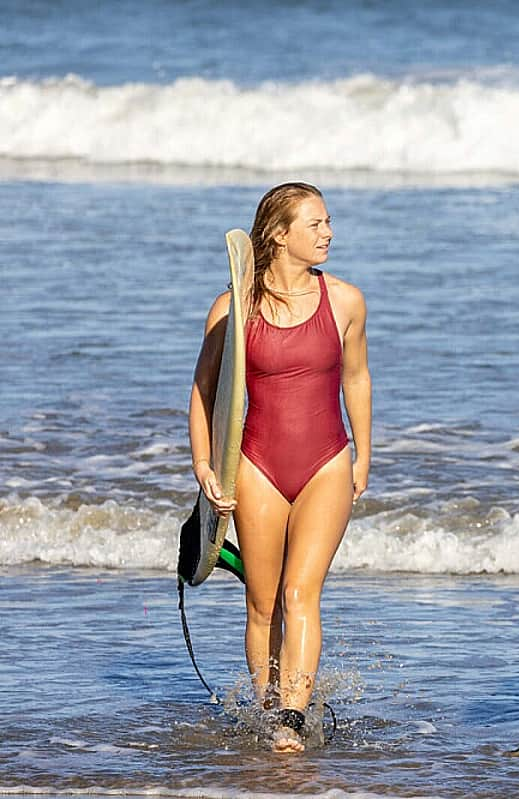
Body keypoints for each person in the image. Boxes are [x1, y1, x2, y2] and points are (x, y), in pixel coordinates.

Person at [189, 182, 372, 753]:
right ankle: (270, 709)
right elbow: (204, 391)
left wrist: (363, 453)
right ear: (278, 233)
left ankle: (292, 719)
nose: (328, 233)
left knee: (300, 592)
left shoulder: (345, 301)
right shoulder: (232, 308)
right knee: (263, 602)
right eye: (315, 224)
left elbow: (357, 379)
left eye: (328, 222)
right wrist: (204, 465)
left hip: (326, 462)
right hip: (254, 464)